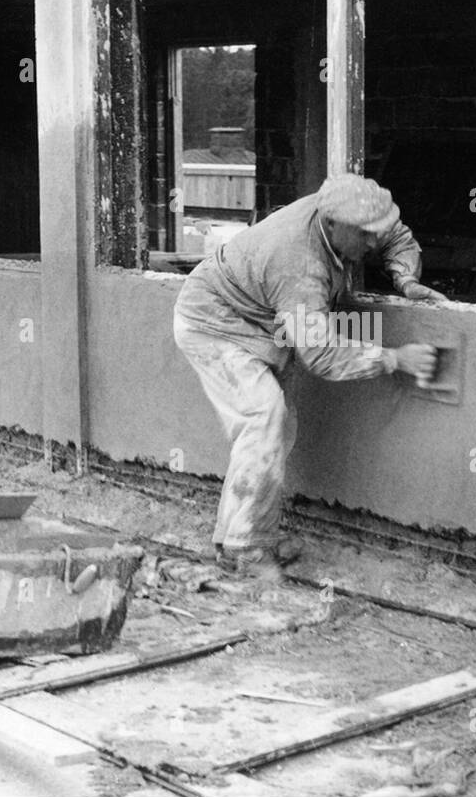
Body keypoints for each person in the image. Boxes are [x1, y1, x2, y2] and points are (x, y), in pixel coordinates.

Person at [173, 173, 446, 575]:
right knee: (263, 417)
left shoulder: (355, 216)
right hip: (215, 324)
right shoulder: (298, 265)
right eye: (365, 236)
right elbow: (320, 355)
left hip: (268, 323)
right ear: (331, 224)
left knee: (278, 427)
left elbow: (394, 236)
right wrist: (394, 359)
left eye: (375, 232)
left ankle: (245, 538)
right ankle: (245, 550)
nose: (373, 243)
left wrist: (405, 278)